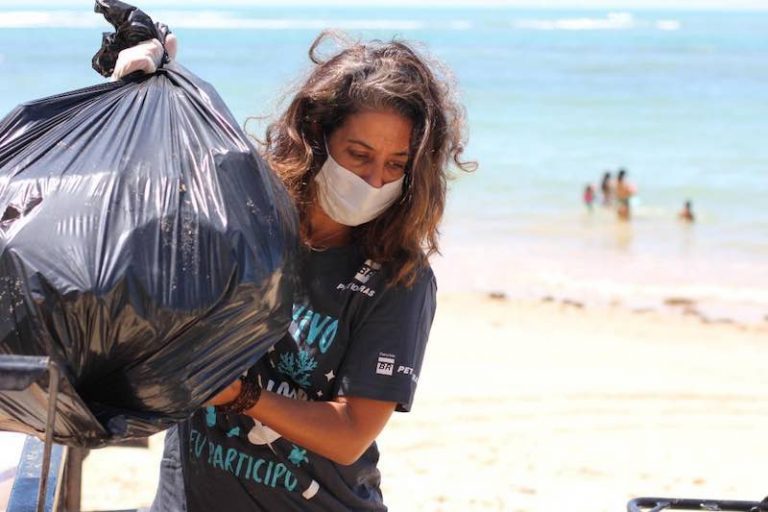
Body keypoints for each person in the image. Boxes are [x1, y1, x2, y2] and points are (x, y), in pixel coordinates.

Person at [112, 31, 474, 511]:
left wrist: (240, 396)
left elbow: (349, 434)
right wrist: (150, 87)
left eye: (395, 165)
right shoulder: (245, 220)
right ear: (316, 135)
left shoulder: (398, 277)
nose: (374, 180)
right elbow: (155, 186)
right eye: (359, 155)